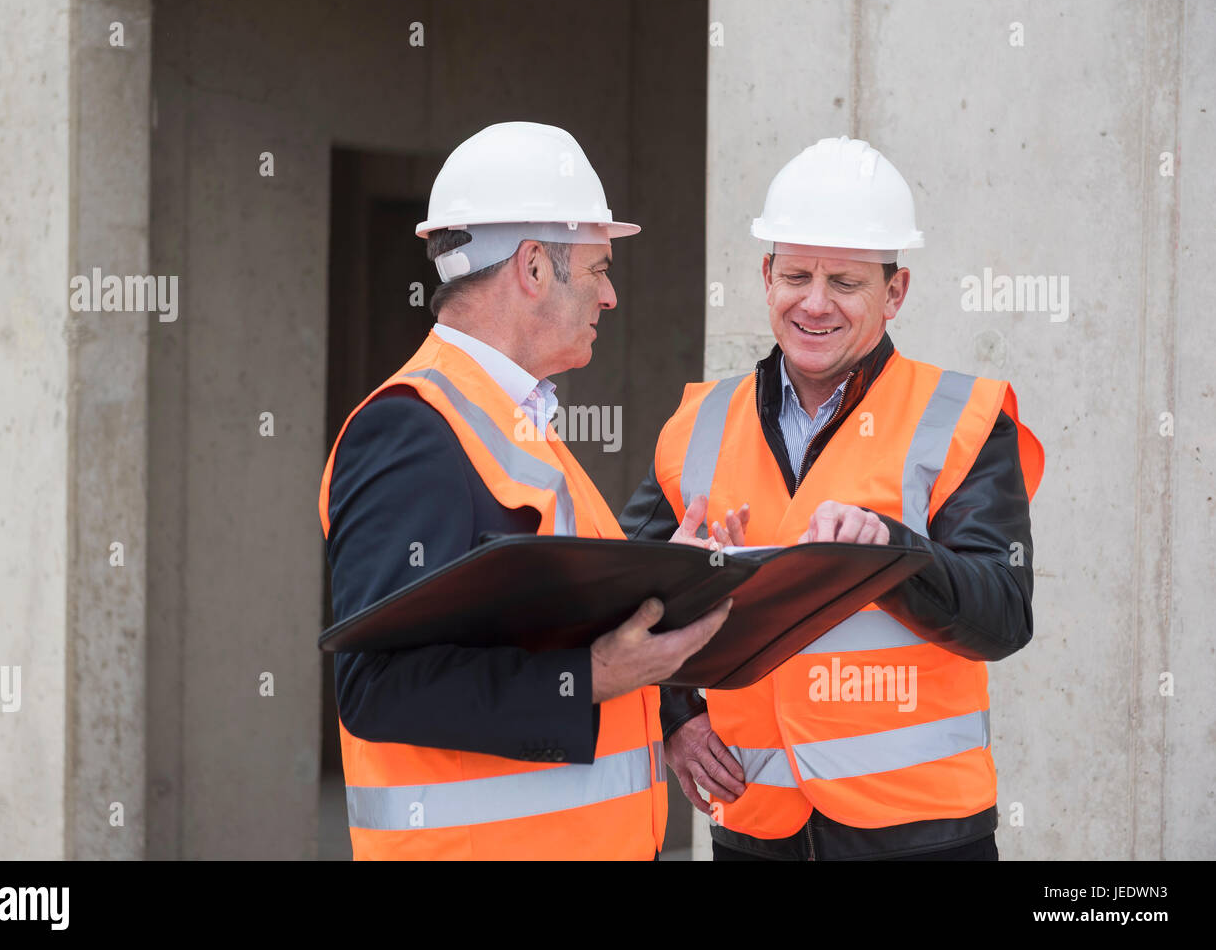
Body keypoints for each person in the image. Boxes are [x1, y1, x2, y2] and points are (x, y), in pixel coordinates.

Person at [620, 136, 1044, 860]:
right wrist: (674, 718)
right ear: (765, 275)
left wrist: (894, 553)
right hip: (756, 830)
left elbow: (1003, 617)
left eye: (845, 282)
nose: (814, 304)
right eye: (796, 275)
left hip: (923, 834)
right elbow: (622, 598)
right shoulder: (697, 427)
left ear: (895, 292)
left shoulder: (963, 418)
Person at [318, 122, 734, 860]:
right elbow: (376, 685)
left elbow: (542, 620)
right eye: (600, 267)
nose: (610, 296)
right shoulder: (412, 429)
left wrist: (666, 584)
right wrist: (595, 677)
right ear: (535, 268)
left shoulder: (514, 427)